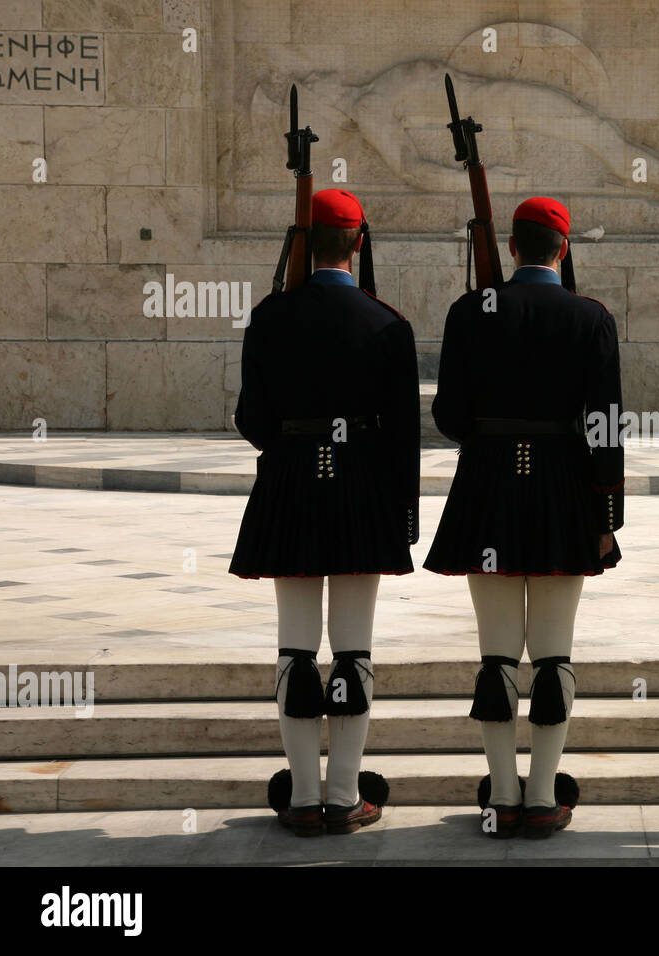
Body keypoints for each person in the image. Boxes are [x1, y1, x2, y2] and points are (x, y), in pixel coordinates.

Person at [424, 197, 624, 839]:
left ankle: (501, 794)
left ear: (512, 248)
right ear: (562, 250)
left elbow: (449, 418)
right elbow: (605, 426)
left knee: (496, 657)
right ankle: (542, 797)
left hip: (488, 488)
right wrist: (607, 510)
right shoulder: (590, 317)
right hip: (565, 489)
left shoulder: (469, 312)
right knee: (555, 653)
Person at [230, 188, 421, 836]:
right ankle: (344, 795)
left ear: (306, 244)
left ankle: (303, 796)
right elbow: (403, 438)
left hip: (290, 486)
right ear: (360, 242)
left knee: (295, 649)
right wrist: (402, 517)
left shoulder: (269, 318)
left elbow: (253, 422)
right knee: (352, 651)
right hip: (362, 488)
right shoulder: (388, 325)